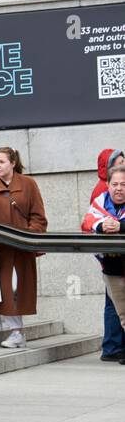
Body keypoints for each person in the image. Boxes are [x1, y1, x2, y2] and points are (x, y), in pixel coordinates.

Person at [0, 146, 47, 348]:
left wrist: (30, 237)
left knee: (16, 289)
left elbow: (38, 216)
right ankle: (15, 331)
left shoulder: (29, 184)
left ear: (13, 163)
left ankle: (12, 328)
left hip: (22, 248)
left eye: (1, 162)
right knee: (6, 288)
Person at [84, 148, 125, 359]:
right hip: (112, 265)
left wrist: (120, 226)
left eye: (123, 184)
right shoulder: (100, 198)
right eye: (115, 184)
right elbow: (88, 221)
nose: (119, 188)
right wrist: (102, 225)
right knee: (120, 312)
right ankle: (113, 348)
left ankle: (114, 348)